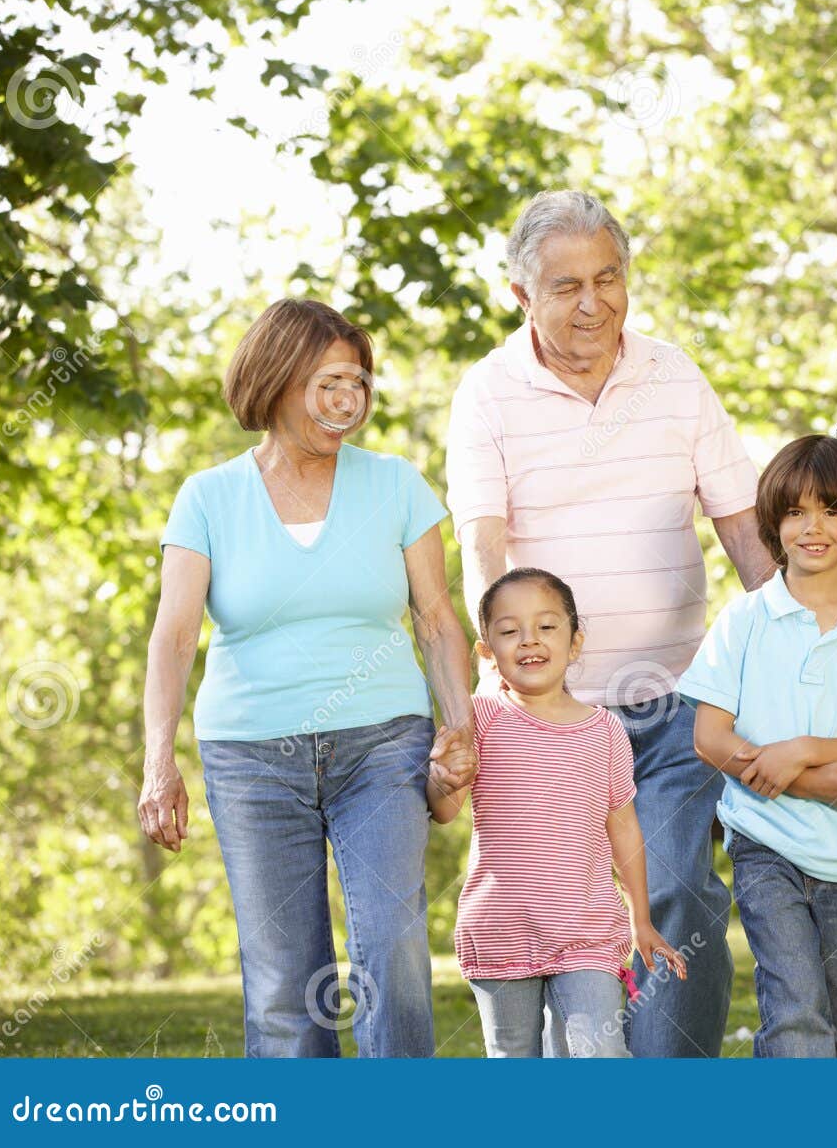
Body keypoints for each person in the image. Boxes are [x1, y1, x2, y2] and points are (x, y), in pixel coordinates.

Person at [445, 189, 776, 1056]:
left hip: (672, 697)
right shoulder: (487, 393)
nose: (594, 303)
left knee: (675, 889)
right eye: (567, 287)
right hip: (552, 713)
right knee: (560, 919)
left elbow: (739, 519)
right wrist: (502, 676)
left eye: (610, 278)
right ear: (521, 294)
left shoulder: (674, 375)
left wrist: (788, 643)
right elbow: (483, 540)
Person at [138, 298, 477, 1057]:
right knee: (286, 987)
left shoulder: (395, 484)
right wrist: (159, 763)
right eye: (328, 381)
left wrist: (461, 729)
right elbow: (175, 636)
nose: (347, 400)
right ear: (276, 380)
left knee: (392, 951)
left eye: (357, 381)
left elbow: (437, 619)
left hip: (382, 741)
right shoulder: (210, 497)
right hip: (251, 754)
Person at [679, 435, 837, 1057]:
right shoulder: (743, 621)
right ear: (774, 523)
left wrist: (805, 748)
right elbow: (710, 737)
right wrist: (801, 781)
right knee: (796, 1016)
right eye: (795, 512)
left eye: (832, 510)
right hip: (766, 844)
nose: (813, 528)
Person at [429, 568, 687, 1057]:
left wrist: (642, 919)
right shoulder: (478, 718)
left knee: (599, 1053)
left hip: (586, 929)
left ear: (574, 642)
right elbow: (444, 811)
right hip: (500, 927)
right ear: (487, 652)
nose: (529, 641)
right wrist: (442, 778)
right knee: (513, 1056)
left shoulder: (606, 732)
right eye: (509, 631)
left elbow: (623, 827)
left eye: (546, 627)